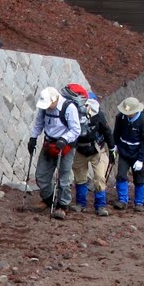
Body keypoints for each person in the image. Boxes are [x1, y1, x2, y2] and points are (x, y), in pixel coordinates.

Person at [29, 86, 81, 218]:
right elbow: (39, 123)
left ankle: (63, 205)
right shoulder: (44, 108)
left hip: (65, 146)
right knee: (41, 175)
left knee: (64, 177)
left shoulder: (69, 108)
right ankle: (49, 198)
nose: (46, 107)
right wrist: (33, 138)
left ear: (55, 99)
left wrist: (64, 139)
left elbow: (76, 129)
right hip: (48, 143)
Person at [72, 95, 114, 217]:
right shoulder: (75, 114)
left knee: (99, 177)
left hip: (97, 150)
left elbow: (107, 132)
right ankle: (81, 203)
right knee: (79, 177)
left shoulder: (99, 116)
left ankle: (100, 205)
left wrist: (112, 149)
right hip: (80, 149)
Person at [112, 96, 144, 210]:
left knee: (139, 177)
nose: (127, 114)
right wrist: (114, 145)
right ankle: (122, 200)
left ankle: (139, 202)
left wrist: (141, 159)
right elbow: (116, 132)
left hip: (138, 152)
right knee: (121, 175)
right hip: (124, 151)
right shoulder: (120, 117)